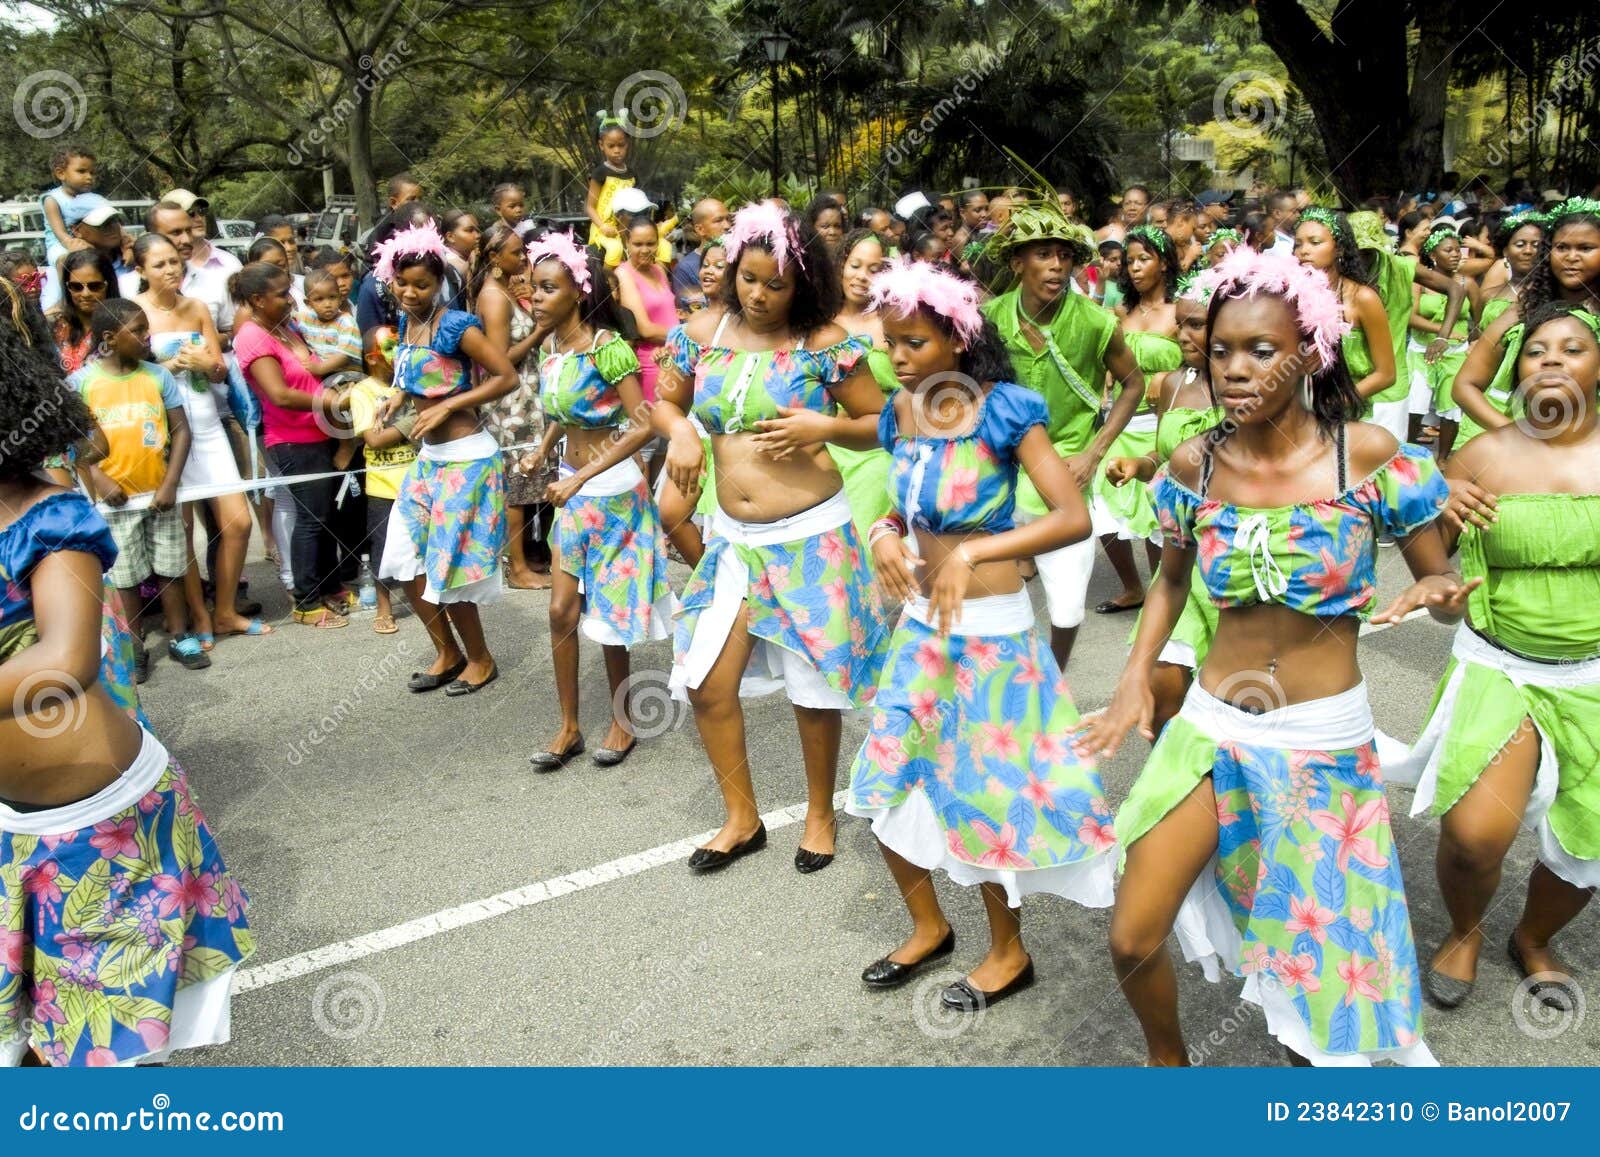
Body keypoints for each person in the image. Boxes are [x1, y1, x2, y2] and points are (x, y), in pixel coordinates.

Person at [1077, 245, 1474, 1068]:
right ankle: (1167, 1068)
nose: (1234, 368)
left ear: (1310, 354)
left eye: (1262, 349)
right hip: (1212, 725)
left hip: (1320, 743)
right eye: (1221, 350)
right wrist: (1130, 689)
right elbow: (1168, 582)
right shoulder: (1195, 465)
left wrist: (1436, 592)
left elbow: (1441, 573)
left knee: (1318, 988)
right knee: (1132, 932)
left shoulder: (1364, 455)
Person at [847, 258, 1115, 1010]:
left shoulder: (1006, 409)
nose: (897, 357)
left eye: (914, 343)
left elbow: (1071, 515)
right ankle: (928, 925)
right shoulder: (900, 414)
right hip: (921, 629)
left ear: (958, 341)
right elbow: (902, 507)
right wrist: (881, 533)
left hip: (993, 635)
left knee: (986, 795)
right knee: (889, 776)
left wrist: (970, 549)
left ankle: (1008, 951)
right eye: (891, 341)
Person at [0, 315, 254, 1067]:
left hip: (99, 824)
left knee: (105, 1062)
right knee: (38, 1055)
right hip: (14, 827)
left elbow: (65, 657)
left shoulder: (47, 514)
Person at [655, 201, 890, 874]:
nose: (760, 295)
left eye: (776, 283)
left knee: (814, 692)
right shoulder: (700, 331)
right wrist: (677, 431)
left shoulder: (823, 342)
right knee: (705, 680)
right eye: (749, 278)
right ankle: (742, 816)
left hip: (812, 536)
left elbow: (880, 420)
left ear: (802, 283)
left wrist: (825, 428)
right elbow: (666, 400)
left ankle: (820, 814)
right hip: (733, 539)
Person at [1389, 302, 1600, 1016]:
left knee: (1587, 841)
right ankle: (1465, 927)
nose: (1550, 360)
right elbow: (1435, 571)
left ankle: (1534, 936)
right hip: (1502, 667)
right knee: (1476, 836)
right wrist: (1440, 512)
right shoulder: (1478, 456)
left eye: (1572, 348)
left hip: (1594, 674)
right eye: (1536, 350)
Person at [523, 231, 673, 769]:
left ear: (577, 293)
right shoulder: (552, 346)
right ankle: (568, 728)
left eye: (547, 287)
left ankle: (623, 719)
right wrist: (543, 449)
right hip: (574, 485)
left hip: (611, 493)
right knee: (561, 609)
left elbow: (643, 422)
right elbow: (567, 409)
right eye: (533, 286)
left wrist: (581, 475)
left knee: (610, 618)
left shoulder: (607, 347)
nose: (535, 296)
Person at [982, 204, 1146, 669]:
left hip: (1066, 475)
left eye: (1064, 256)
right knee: (990, 594)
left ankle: (1053, 678)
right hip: (998, 475)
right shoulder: (988, 320)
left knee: (1068, 606)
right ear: (1017, 262)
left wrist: (1094, 454)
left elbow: (1134, 383)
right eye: (1043, 255)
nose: (1056, 266)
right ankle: (1001, 678)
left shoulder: (1096, 323)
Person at [374, 224, 520, 695]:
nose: (411, 293)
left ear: (439, 283)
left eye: (422, 284)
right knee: (404, 559)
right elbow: (412, 374)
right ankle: (446, 652)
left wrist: (448, 404)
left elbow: (505, 377)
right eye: (403, 284)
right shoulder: (407, 323)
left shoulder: (456, 324)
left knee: (449, 567)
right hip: (430, 460)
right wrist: (398, 396)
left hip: (466, 460)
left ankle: (480, 659)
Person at [130, 234, 265, 650]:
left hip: (207, 423)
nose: (171, 270)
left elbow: (220, 370)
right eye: (160, 264)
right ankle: (199, 615)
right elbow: (130, 377)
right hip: (166, 434)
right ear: (140, 271)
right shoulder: (134, 313)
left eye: (175, 262)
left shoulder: (197, 308)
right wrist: (168, 366)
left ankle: (225, 611)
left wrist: (209, 363)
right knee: (182, 529)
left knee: (238, 522)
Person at [1100, 278, 1223, 732]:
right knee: (1162, 689)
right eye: (1181, 324)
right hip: (1181, 555)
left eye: (1198, 324)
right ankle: (1166, 784)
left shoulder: (1256, 389)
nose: (1184, 335)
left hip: (1232, 556)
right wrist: (1139, 463)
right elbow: (1164, 457)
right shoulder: (1172, 383)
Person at [70, 300, 204, 671]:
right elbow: (74, 445)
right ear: (110, 338)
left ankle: (180, 635)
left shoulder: (157, 376)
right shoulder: (82, 382)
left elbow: (181, 432)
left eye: (148, 328)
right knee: (125, 576)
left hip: (159, 492)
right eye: (139, 330)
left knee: (171, 567)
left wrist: (170, 484)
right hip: (114, 502)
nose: (149, 337)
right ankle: (134, 643)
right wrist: (100, 479)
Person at [232, 263, 351, 628]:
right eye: (282, 294)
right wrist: (330, 403)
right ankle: (306, 603)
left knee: (325, 516)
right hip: (292, 440)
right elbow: (280, 395)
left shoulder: (287, 327)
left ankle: (328, 587)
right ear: (257, 299)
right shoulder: (253, 336)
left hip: (319, 434)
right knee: (311, 520)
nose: (291, 299)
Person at [1453, 198, 1600, 453]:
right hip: (1517, 454)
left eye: (1585, 248)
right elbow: (1465, 385)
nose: (1571, 257)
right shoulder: (1523, 311)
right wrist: (1517, 437)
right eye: (1562, 247)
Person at [1090, 224, 1182, 614]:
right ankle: (1133, 587)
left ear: (1164, 263)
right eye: (1129, 261)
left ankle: (1165, 594)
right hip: (1120, 421)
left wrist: (1167, 378)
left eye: (1144, 259)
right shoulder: (1120, 312)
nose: (1135, 267)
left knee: (1155, 512)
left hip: (1160, 425)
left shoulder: (1182, 311)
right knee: (1105, 511)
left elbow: (1199, 362)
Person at [472, 222, 555, 591]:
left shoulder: (505, 290)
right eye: (516, 252)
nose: (523, 257)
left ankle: (524, 561)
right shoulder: (493, 296)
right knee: (514, 487)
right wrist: (539, 331)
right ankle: (516, 567)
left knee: (524, 484)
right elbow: (499, 358)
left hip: (526, 398)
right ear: (493, 257)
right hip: (509, 404)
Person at [1345, 210, 1465, 442]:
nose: (1362, 257)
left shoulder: (1401, 267)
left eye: (1368, 252)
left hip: (1389, 386)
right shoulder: (1340, 273)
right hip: (1349, 386)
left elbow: (1456, 289)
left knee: (1386, 463)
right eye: (1357, 252)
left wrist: (1442, 336)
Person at [344, 327, 417, 634]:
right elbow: (372, 440)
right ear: (373, 359)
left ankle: (430, 597)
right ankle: (384, 606)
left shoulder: (410, 385)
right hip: (383, 485)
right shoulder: (362, 391)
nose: (395, 357)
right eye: (389, 351)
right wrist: (409, 425)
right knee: (382, 545)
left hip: (416, 479)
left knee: (420, 541)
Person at [1293, 208, 1397, 418]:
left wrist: (1337, 404)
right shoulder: (1290, 298)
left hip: (1349, 417)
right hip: (1297, 416)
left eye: (1315, 242)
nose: (1304, 251)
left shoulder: (1363, 298)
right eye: (1298, 244)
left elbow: (1386, 374)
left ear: (1339, 249)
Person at [829, 229, 899, 535]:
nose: (861, 276)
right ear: (841, 266)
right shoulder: (818, 321)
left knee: (865, 536)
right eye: (855, 265)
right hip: (825, 441)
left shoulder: (893, 320)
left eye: (874, 270)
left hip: (880, 446)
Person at [1409, 226, 1479, 456]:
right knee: (1415, 406)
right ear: (1432, 255)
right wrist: (1442, 332)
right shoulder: (1419, 282)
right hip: (1421, 351)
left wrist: (1472, 343)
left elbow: (1479, 319)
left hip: (1456, 354)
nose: (1456, 254)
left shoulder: (1467, 283)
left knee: (1451, 410)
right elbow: (1410, 317)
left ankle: (1443, 458)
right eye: (1448, 250)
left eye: (1458, 250)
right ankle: (1410, 454)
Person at [38, 144, 97, 311]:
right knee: (64, 260)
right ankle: (64, 300)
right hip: (61, 245)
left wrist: (126, 243)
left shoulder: (92, 199)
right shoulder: (53, 199)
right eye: (82, 171)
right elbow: (60, 233)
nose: (89, 177)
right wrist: (72, 245)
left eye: (92, 173)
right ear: (60, 173)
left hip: (86, 243)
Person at [48, 249, 120, 374]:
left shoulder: (124, 326)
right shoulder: (53, 325)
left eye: (95, 286)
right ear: (67, 288)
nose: (86, 294)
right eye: (76, 287)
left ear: (109, 285)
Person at [586, 112, 638, 249]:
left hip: (624, 230)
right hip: (602, 230)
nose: (617, 150)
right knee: (614, 251)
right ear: (601, 145)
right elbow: (590, 207)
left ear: (627, 144)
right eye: (611, 146)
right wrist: (602, 226)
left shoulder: (632, 174)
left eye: (621, 145)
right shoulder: (600, 173)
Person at [671, 198, 734, 297]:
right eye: (718, 220)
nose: (727, 226)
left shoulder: (736, 257)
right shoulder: (685, 269)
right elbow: (688, 309)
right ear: (700, 229)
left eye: (728, 219)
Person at [440, 209, 482, 284]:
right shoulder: (449, 265)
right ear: (450, 237)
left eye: (477, 230)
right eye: (470, 230)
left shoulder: (470, 258)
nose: (478, 236)